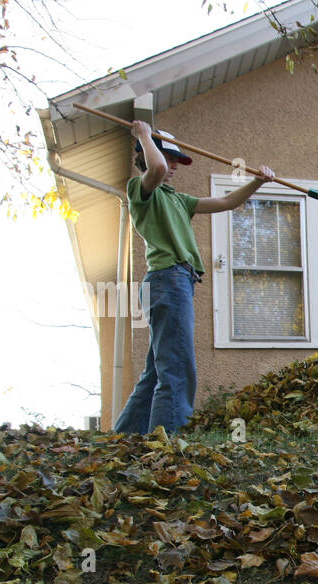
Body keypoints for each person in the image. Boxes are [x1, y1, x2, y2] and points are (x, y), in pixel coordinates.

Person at [113, 120, 275, 435]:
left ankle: (124, 440)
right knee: (177, 371)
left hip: (176, 283)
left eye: (176, 161)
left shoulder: (178, 200)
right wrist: (145, 136)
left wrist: (258, 182)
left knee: (156, 373)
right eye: (170, 158)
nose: (173, 166)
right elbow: (156, 170)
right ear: (148, 157)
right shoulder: (141, 189)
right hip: (168, 280)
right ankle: (170, 448)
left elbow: (227, 202)